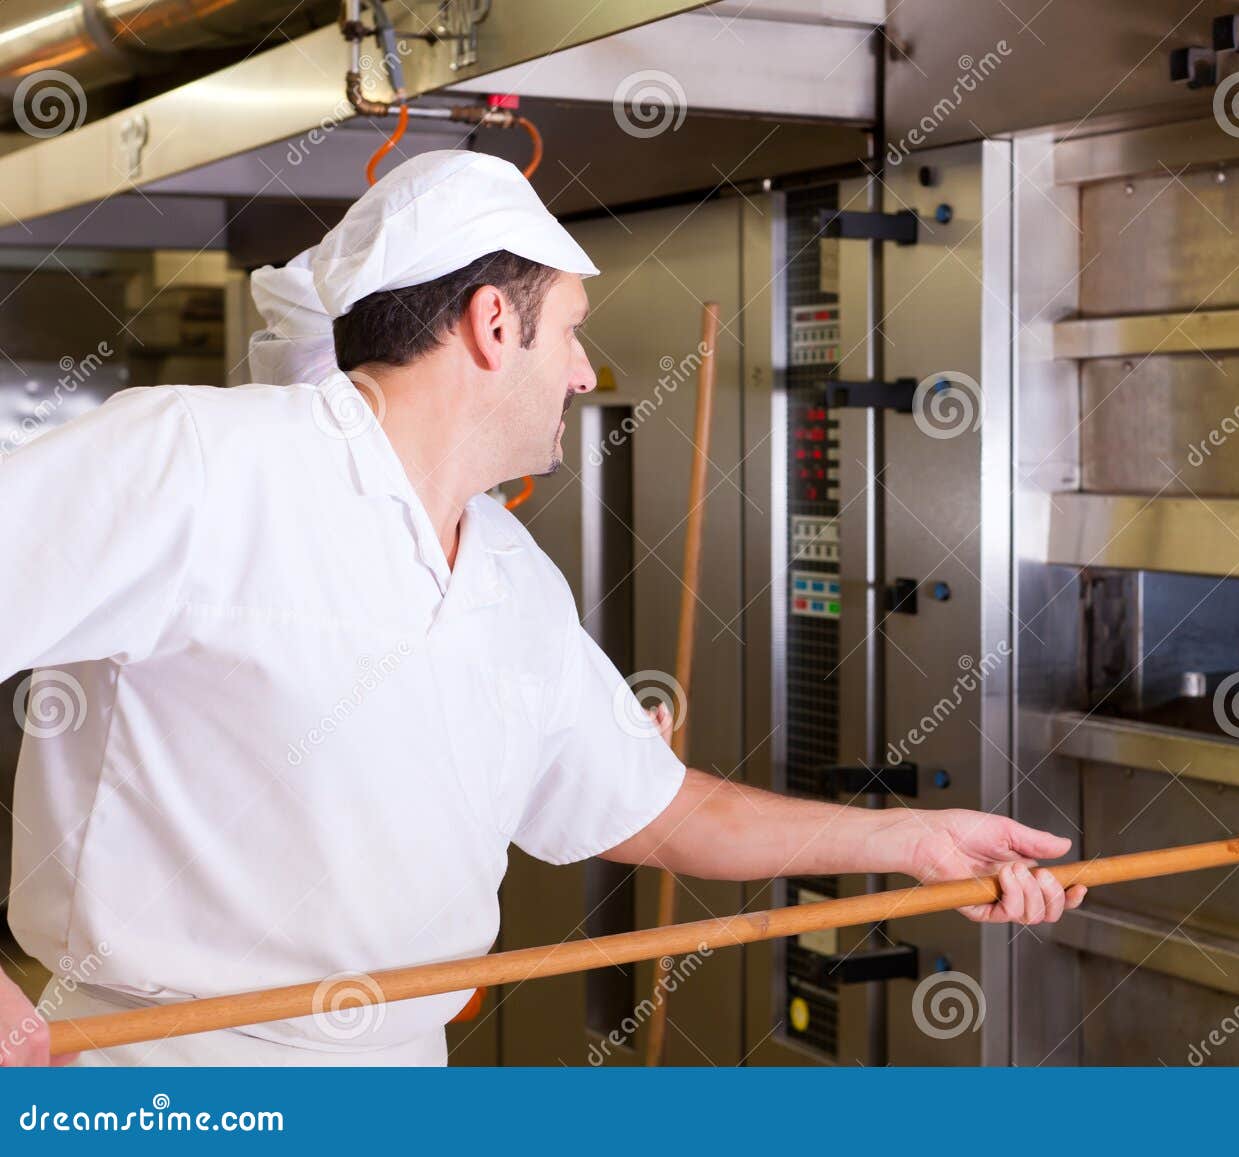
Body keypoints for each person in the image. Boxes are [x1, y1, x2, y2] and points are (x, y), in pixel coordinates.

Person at [0, 150, 1085, 1067]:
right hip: (166, 1075)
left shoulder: (510, 572)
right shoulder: (204, 462)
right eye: (568, 330)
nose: (581, 371)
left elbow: (657, 810)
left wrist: (910, 838)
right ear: (488, 325)